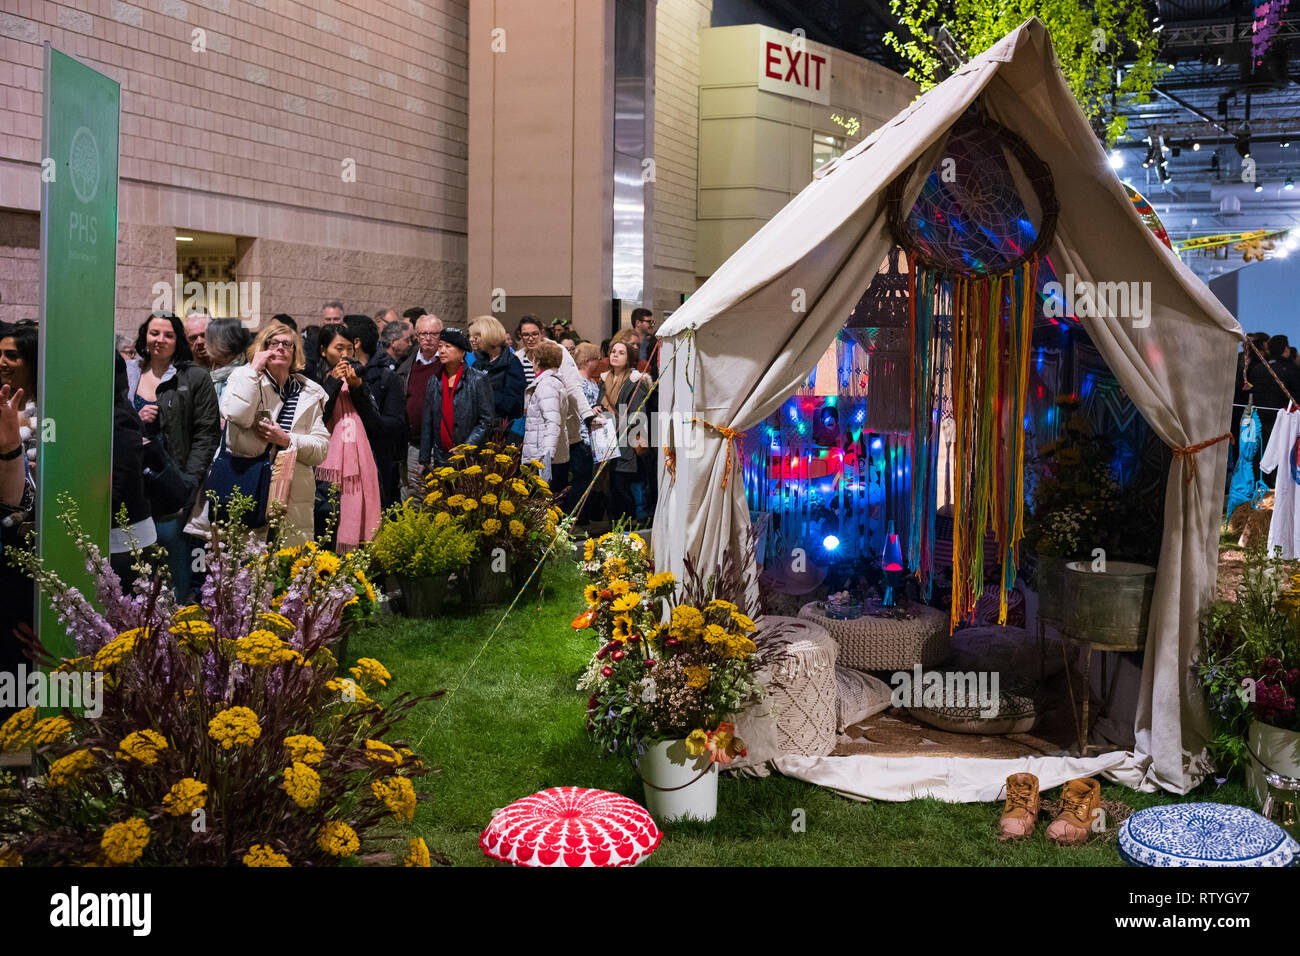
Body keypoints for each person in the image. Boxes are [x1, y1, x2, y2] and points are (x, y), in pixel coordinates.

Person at [127, 312, 221, 599]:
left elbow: (207, 434)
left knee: (174, 566)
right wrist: (135, 418)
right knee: (134, 569)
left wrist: (187, 484)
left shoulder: (195, 377)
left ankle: (176, 634)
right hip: (131, 486)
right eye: (154, 333)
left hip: (173, 487)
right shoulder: (127, 372)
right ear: (145, 335)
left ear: (177, 340)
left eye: (168, 335)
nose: (160, 340)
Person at [218, 322, 330, 545]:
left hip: (293, 494)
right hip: (248, 483)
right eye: (272, 343)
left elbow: (320, 449)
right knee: (245, 570)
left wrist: (287, 439)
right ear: (261, 348)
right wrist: (252, 371)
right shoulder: (243, 377)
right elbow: (236, 414)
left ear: (295, 353)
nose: (280, 348)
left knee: (288, 569)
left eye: (287, 344)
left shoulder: (310, 392)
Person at [312, 323, 384, 548]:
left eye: (349, 349)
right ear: (324, 351)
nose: (345, 355)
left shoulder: (361, 379)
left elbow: (375, 425)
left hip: (360, 467)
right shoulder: (313, 381)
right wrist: (333, 382)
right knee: (327, 523)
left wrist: (357, 387)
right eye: (338, 348)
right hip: (326, 466)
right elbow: (317, 419)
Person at [343, 315, 407, 507]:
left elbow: (394, 423)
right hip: (344, 458)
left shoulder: (387, 378)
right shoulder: (336, 373)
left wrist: (360, 394)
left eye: (343, 341)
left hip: (377, 460)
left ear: (356, 343)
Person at [417, 327, 495, 472]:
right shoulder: (434, 380)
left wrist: (466, 448)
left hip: (470, 458)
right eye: (440, 346)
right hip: (441, 456)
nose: (441, 351)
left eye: (448, 346)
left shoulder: (478, 379)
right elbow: (427, 421)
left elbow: (487, 420)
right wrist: (424, 458)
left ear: (462, 352)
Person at [110, 353, 156, 588]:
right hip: (115, 532)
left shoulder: (118, 416)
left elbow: (122, 483)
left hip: (124, 537)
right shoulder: (107, 413)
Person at [596, 340, 649, 523]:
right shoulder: (605, 380)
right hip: (607, 440)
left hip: (626, 442)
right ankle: (615, 528)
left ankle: (628, 529)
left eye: (621, 352)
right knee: (610, 488)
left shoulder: (634, 382)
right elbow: (599, 405)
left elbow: (638, 417)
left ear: (629, 359)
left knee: (623, 488)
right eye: (613, 351)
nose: (615, 355)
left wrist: (611, 417)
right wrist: (596, 410)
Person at [397, 312, 444, 496]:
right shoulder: (407, 366)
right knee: (412, 495)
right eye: (423, 334)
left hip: (440, 445)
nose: (428, 338)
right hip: (412, 444)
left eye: (433, 334)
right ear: (417, 337)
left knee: (437, 496)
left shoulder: (449, 363)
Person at [522, 341, 568, 481]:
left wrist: (546, 456)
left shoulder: (546, 384)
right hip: (548, 455)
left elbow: (553, 421)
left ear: (538, 360)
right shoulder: (554, 381)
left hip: (543, 457)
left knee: (543, 501)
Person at [469, 315, 525, 427]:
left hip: (501, 431)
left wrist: (484, 394)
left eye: (476, 336)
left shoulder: (512, 363)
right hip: (479, 427)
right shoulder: (478, 363)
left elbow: (513, 404)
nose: (471, 339)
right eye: (471, 336)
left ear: (489, 335)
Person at [204, 317, 252, 405]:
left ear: (225, 344)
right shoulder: (214, 373)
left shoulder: (247, 376)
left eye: (210, 341)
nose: (205, 346)